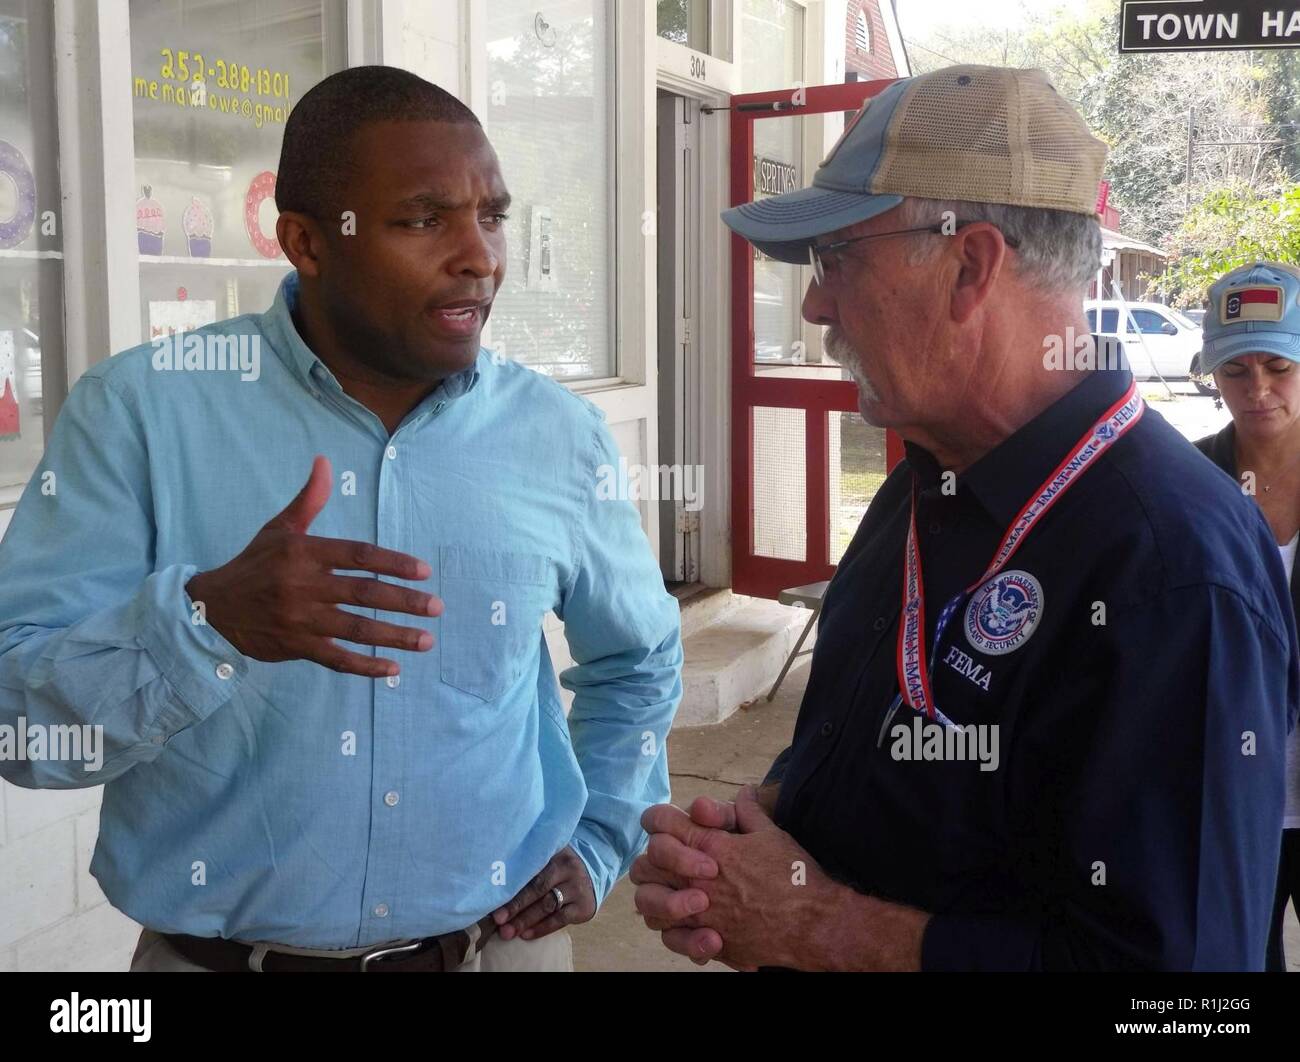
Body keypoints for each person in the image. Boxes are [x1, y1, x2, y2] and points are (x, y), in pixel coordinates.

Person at [0, 66, 682, 973]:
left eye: (492, 215)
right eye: (424, 219)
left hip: (494, 955)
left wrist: (602, 835)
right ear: (307, 243)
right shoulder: (142, 413)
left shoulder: (557, 435)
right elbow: (19, 725)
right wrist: (204, 623)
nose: (479, 254)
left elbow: (638, 658)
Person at [631, 64, 1298, 971]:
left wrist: (818, 927)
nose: (815, 304)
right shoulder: (929, 475)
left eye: (836, 260)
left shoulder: (1172, 569)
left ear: (970, 266)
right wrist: (754, 836)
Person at [1193, 261, 1300, 972]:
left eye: (1278, 365)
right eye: (1236, 370)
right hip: (1233, 795)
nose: (1257, 389)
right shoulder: (1185, 483)